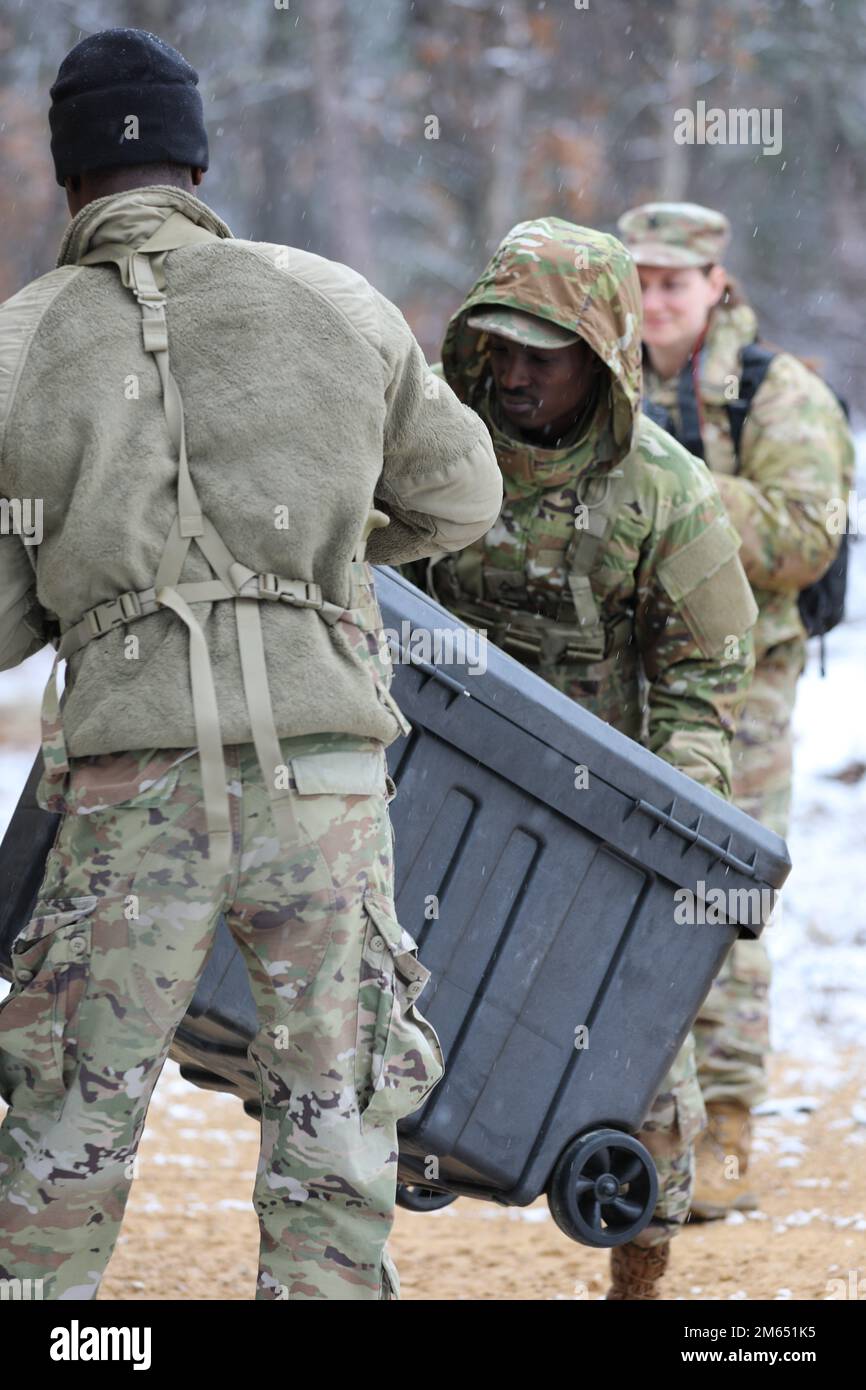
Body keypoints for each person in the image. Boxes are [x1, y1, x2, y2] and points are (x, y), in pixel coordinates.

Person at [0, 27, 503, 1301]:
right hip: (322, 791)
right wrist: (314, 563)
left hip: (130, 796)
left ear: (68, 175)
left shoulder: (18, 346)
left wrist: (102, 588)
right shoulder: (334, 300)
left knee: (68, 1123)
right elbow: (462, 497)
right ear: (197, 161)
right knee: (333, 1120)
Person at [401, 215, 758, 1298]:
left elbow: (706, 675)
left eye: (542, 356)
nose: (513, 375)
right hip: (439, 791)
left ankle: (637, 1280)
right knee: (356, 1041)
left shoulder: (665, 492)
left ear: (600, 356)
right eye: (498, 349)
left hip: (603, 818)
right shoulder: (431, 445)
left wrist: (674, 823)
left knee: (639, 1075)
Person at [617, 201, 855, 1219]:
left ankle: (724, 1128)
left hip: (742, 686)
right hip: (624, 677)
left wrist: (673, 490)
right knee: (619, 896)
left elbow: (806, 533)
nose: (655, 300)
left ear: (716, 285)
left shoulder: (775, 391)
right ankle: (630, 1116)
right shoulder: (599, 376)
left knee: (721, 901)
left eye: (674, 282)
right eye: (639, 280)